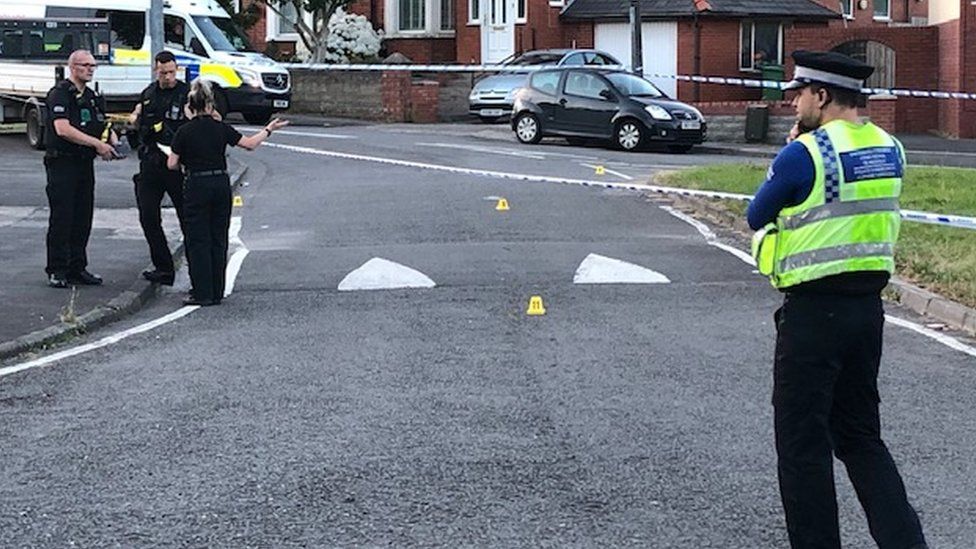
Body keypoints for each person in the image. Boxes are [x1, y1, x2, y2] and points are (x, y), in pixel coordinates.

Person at [748, 50, 927, 549]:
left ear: (822, 96)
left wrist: (792, 151)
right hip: (867, 313)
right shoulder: (892, 148)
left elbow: (756, 214)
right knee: (861, 437)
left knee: (803, 444)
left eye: (799, 94)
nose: (793, 104)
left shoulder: (804, 153)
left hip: (812, 315)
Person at [166, 79, 287, 306]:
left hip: (196, 185)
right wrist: (268, 129)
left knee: (198, 239)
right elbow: (250, 144)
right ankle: (217, 290)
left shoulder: (184, 131)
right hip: (221, 183)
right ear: (211, 105)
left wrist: (184, 161)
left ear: (190, 106)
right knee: (218, 237)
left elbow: (172, 164)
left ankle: (202, 293)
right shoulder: (221, 128)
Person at [43, 49, 118, 288]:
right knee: (62, 216)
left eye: (93, 66)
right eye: (86, 65)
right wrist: (97, 144)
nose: (90, 69)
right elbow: (63, 129)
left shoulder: (92, 96)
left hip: (84, 163)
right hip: (62, 162)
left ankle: (78, 266)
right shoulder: (60, 94)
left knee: (82, 216)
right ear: (73, 67)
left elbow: (100, 124)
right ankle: (57, 269)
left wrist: (112, 139)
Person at [129, 50, 190, 286]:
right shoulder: (148, 94)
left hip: (177, 166)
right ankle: (163, 268)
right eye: (163, 72)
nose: (168, 77)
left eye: (172, 72)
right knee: (148, 216)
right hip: (151, 164)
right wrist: (135, 117)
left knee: (187, 218)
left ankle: (198, 270)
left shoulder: (187, 93)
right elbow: (140, 122)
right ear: (156, 70)